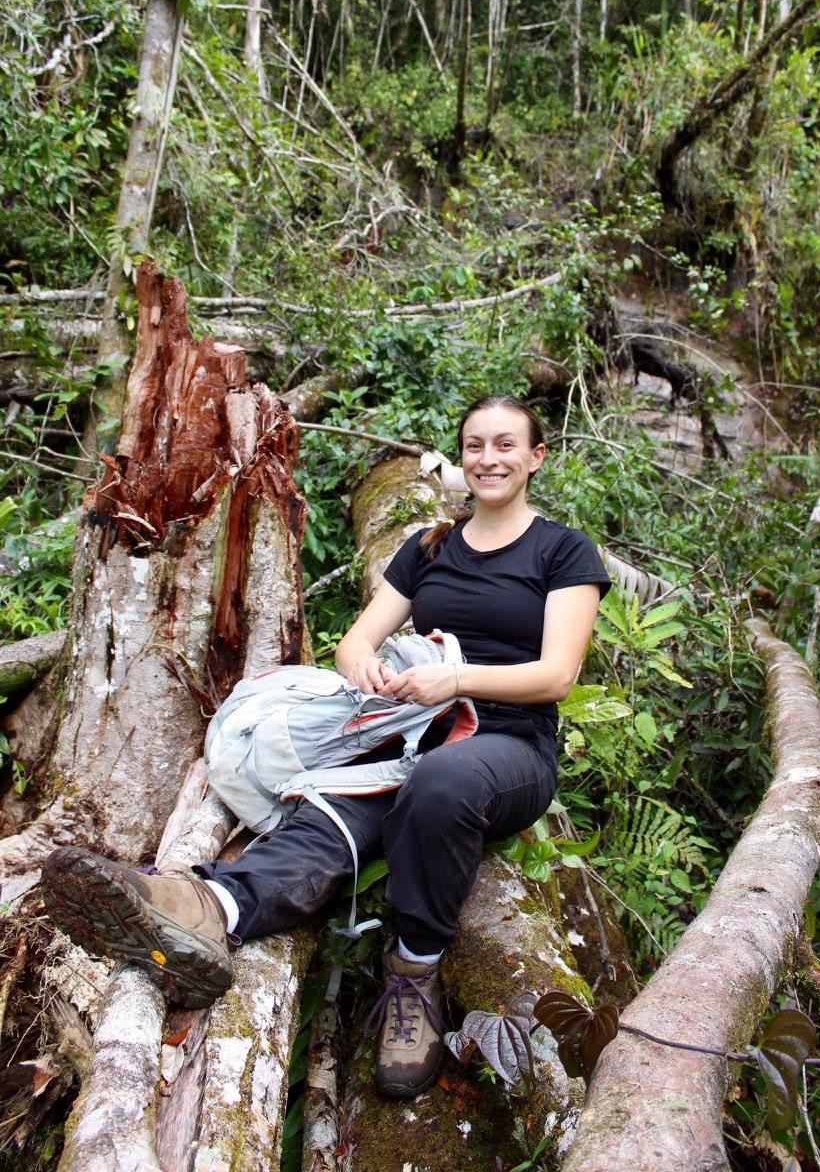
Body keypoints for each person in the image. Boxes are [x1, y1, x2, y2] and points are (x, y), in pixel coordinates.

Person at [41, 394, 610, 1099]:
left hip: (507, 743)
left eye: (504, 446)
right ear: (460, 456)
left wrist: (455, 679)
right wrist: (365, 667)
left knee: (440, 784)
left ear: (535, 457)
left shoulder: (561, 551)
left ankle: (414, 971)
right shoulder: (430, 547)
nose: (488, 459)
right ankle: (208, 910)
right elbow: (355, 642)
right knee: (337, 813)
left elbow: (557, 674)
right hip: (400, 726)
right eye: (474, 446)